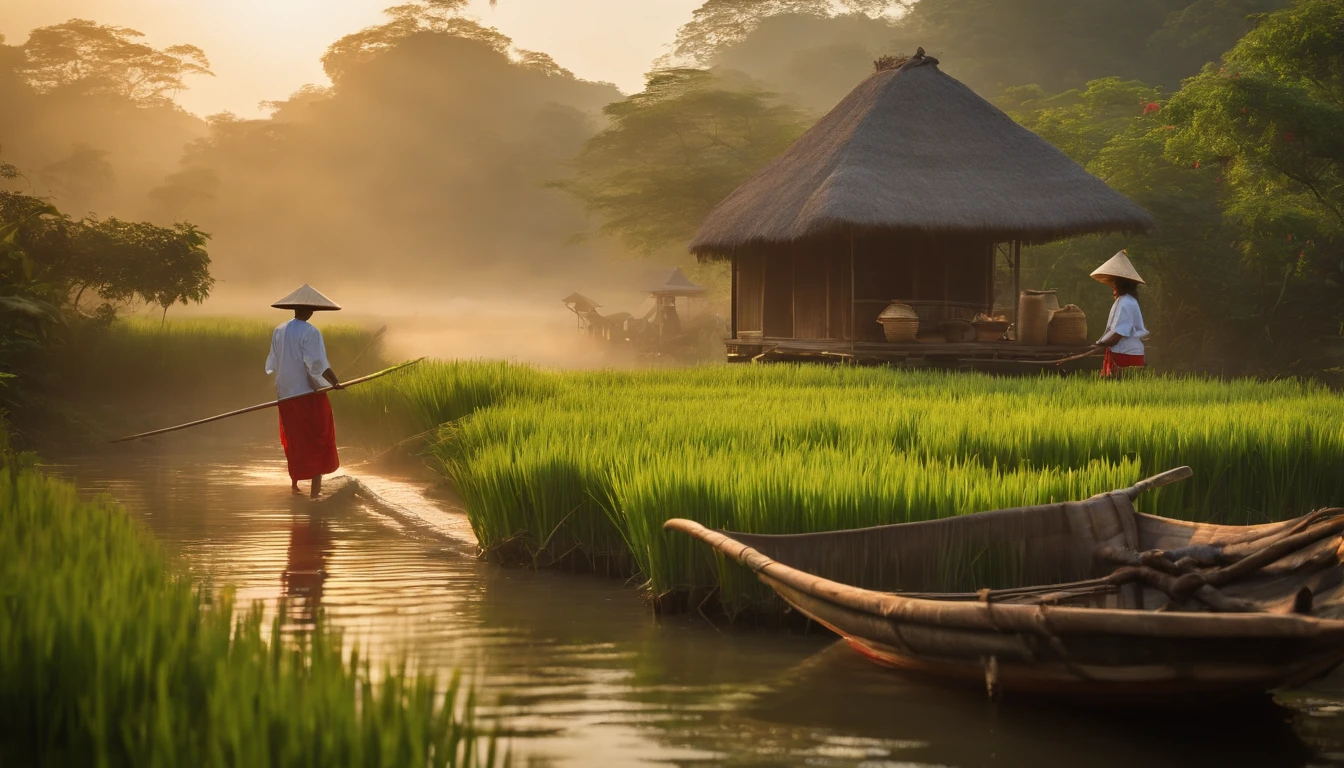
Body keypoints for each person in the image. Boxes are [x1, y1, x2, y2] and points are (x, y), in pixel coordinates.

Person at [265, 284, 343, 497]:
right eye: (311, 310)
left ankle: (295, 484)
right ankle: (315, 494)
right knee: (319, 437)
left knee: (295, 437)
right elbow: (316, 364)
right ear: (307, 310)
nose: (311, 313)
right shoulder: (310, 331)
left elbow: (272, 362)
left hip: (285, 393)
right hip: (306, 393)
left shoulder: (279, 330)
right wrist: (334, 382)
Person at [1090, 250, 1149, 378]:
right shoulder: (1126, 301)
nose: (1112, 287)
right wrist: (1101, 343)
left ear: (1121, 284)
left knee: (1122, 389)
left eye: (1114, 283)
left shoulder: (1126, 303)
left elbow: (1120, 332)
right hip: (1126, 352)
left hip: (1125, 354)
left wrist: (1102, 343)